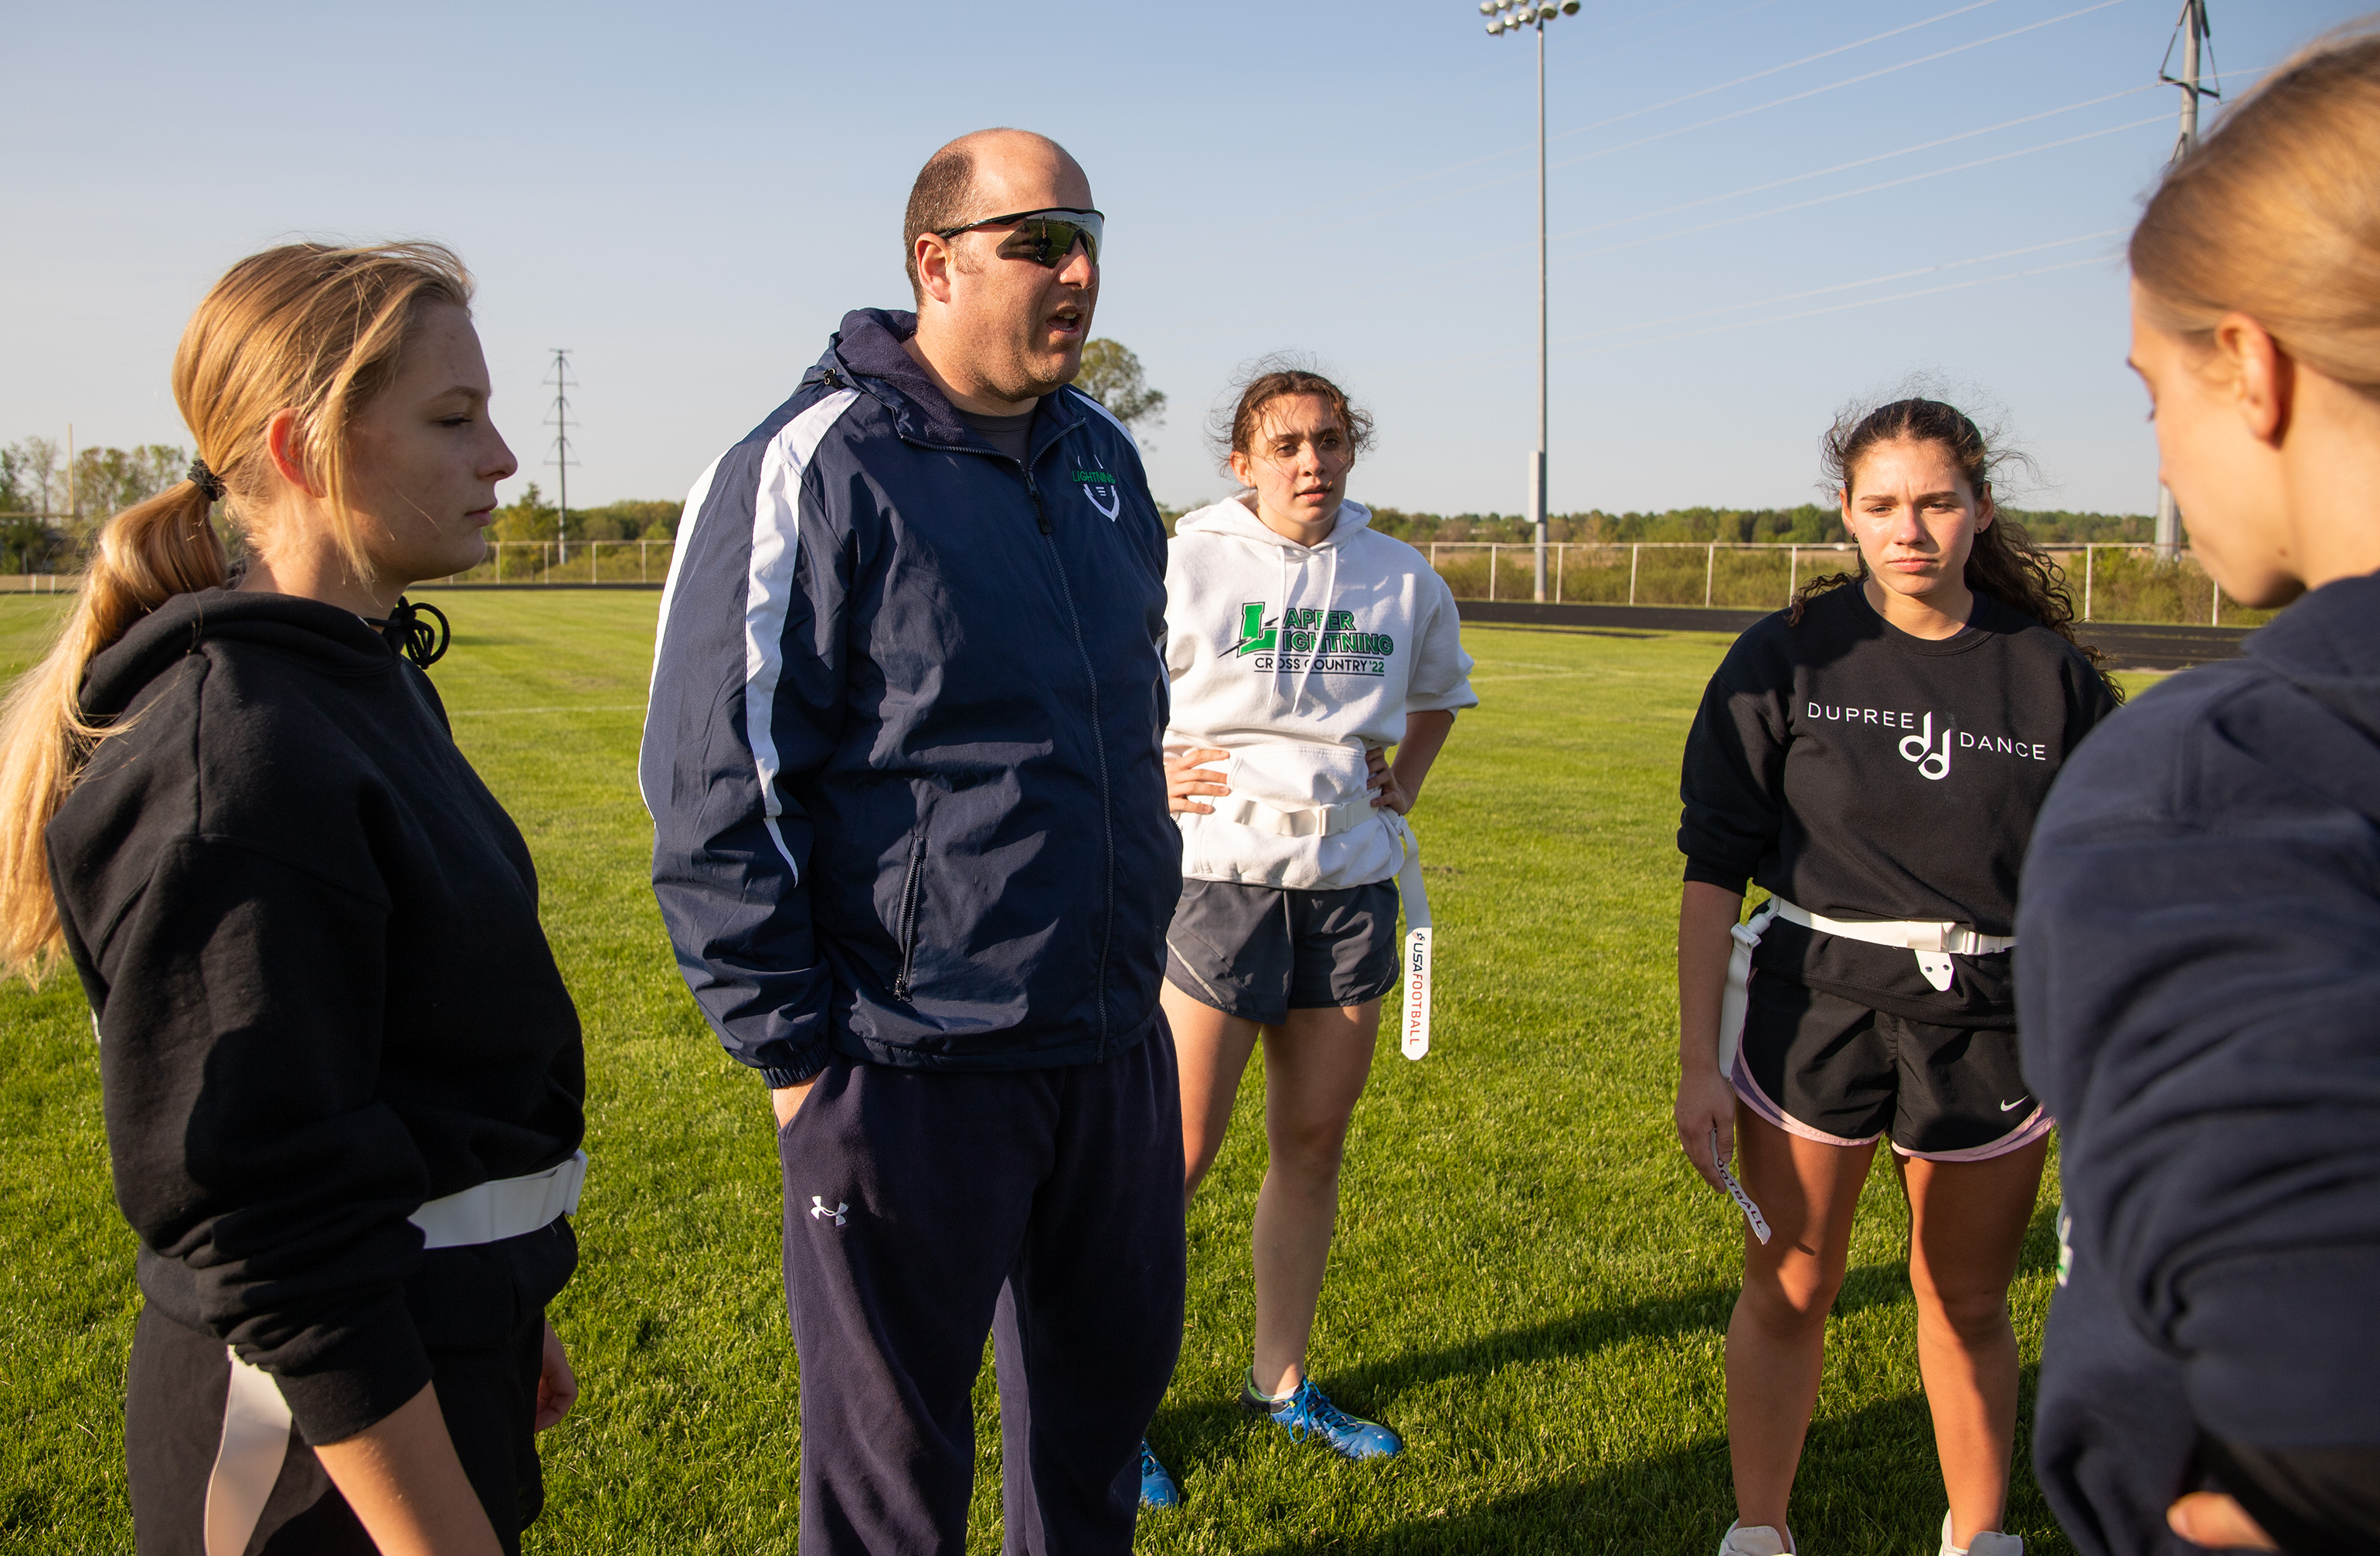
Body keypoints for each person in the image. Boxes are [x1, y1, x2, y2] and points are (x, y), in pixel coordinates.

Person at [641, 128, 1182, 1554]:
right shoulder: (814, 461)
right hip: (906, 1063)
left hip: (1113, 1038)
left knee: (1100, 1427)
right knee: (894, 1475)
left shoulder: (1105, 456)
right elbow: (715, 786)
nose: (1081, 269)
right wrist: (795, 1055)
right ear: (935, 262)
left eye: (1090, 235)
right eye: (1041, 239)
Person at [0, 243, 585, 1555]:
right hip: (304, 1447)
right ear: (305, 445)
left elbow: (412, 1060)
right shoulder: (238, 758)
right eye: (453, 418)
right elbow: (272, 1220)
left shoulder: (358, 681)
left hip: (433, 1343)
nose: (502, 457)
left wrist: (507, 1288)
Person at [2018, 27, 2380, 1556]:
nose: (2153, 438)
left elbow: (2327, 1343)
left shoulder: (2219, 773)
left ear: (2247, 362)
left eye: (2147, 382)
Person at [1673, 398, 2121, 1556]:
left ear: (1980, 508)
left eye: (1934, 502)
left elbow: (2094, 880)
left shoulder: (2051, 676)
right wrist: (1694, 1067)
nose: (1908, 528)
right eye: (1882, 505)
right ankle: (1758, 1531)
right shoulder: (1788, 653)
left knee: (1967, 1298)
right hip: (1813, 1008)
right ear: (1847, 514)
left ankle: (1979, 1536)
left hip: (1992, 1018)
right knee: (1791, 1284)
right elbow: (1713, 870)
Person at [1136, 366, 1474, 1500]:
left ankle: (1279, 1379)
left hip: (1347, 885)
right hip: (1217, 878)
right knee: (1171, 1159)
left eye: (1329, 441)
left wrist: (1404, 785)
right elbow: (1103, 684)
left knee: (1314, 1143)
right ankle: (1113, 1406)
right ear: (1242, 462)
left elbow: (1438, 693)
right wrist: (1151, 763)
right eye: (1284, 445)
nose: (1310, 462)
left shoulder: (1400, 574)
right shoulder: (1182, 561)